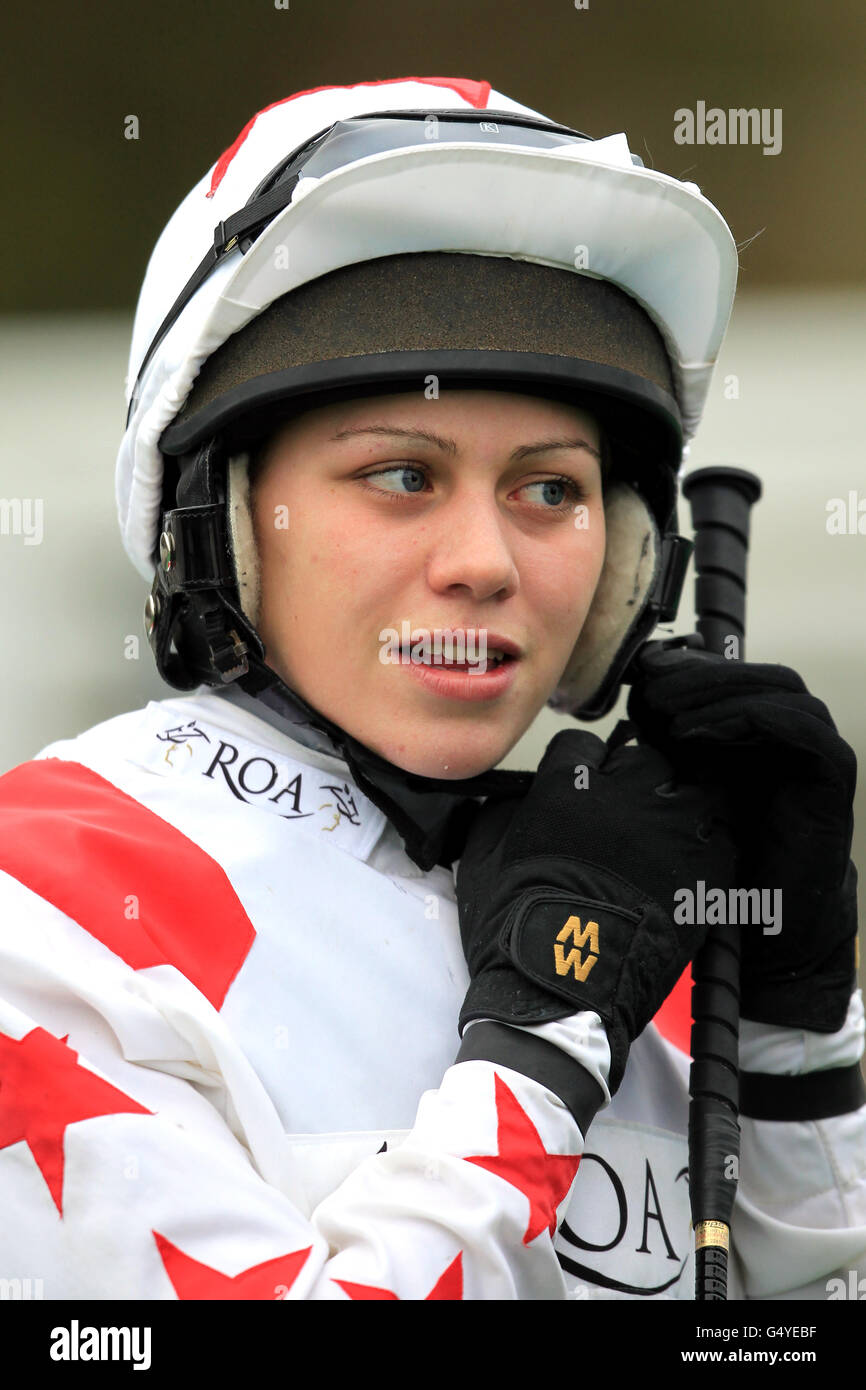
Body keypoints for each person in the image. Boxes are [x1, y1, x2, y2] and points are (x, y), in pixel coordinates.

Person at [0, 76, 862, 1302]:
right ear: (223, 525)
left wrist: (792, 1029)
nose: (483, 563)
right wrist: (541, 1047)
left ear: (627, 561)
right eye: (401, 474)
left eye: (550, 488)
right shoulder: (44, 906)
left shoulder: (637, 916)